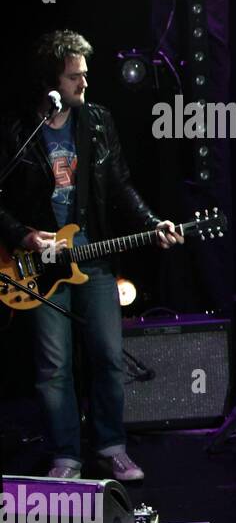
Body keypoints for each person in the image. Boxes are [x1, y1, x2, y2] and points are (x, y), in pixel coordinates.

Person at [0, 30, 184, 480]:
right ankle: (65, 454)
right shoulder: (18, 130)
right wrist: (23, 236)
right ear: (50, 84)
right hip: (39, 265)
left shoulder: (98, 122)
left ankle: (111, 446)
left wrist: (152, 223)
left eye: (85, 75)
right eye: (73, 77)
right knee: (54, 365)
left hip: (94, 258)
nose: (84, 84)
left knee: (106, 353)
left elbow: (120, 186)